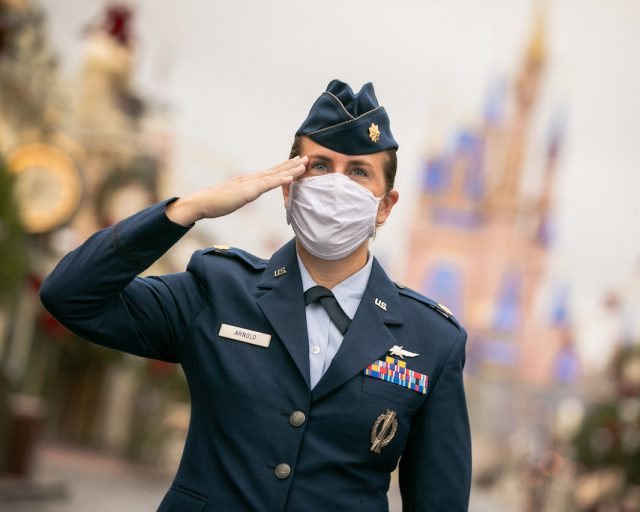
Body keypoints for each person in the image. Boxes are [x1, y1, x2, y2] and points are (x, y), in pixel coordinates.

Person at [40, 79, 472, 511]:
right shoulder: (219, 289)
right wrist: (189, 209)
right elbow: (71, 295)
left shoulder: (431, 339)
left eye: (359, 172)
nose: (336, 185)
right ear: (288, 188)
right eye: (319, 166)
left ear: (385, 206)